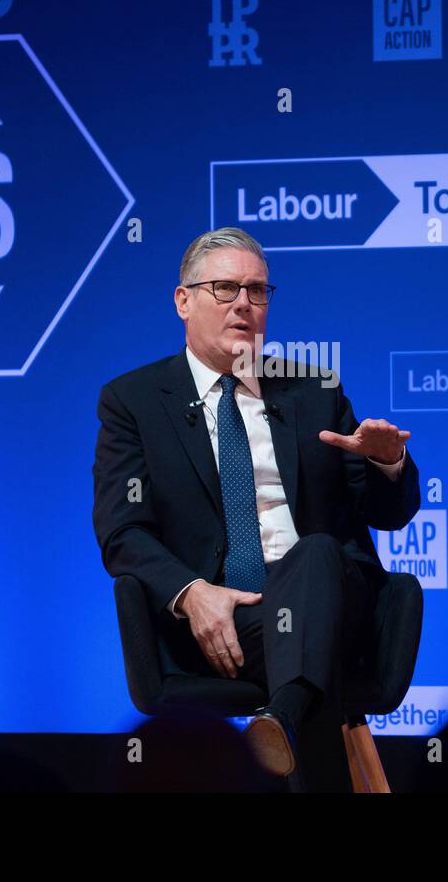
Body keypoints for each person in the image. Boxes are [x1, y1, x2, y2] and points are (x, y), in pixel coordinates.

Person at [92, 226, 421, 791]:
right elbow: (123, 531)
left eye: (258, 291)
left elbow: (388, 513)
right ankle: (287, 715)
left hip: (335, 600)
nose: (245, 304)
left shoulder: (313, 389)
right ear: (183, 300)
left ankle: (285, 716)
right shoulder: (135, 402)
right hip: (226, 625)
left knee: (315, 552)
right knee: (313, 656)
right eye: (225, 288)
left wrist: (388, 463)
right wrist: (192, 593)